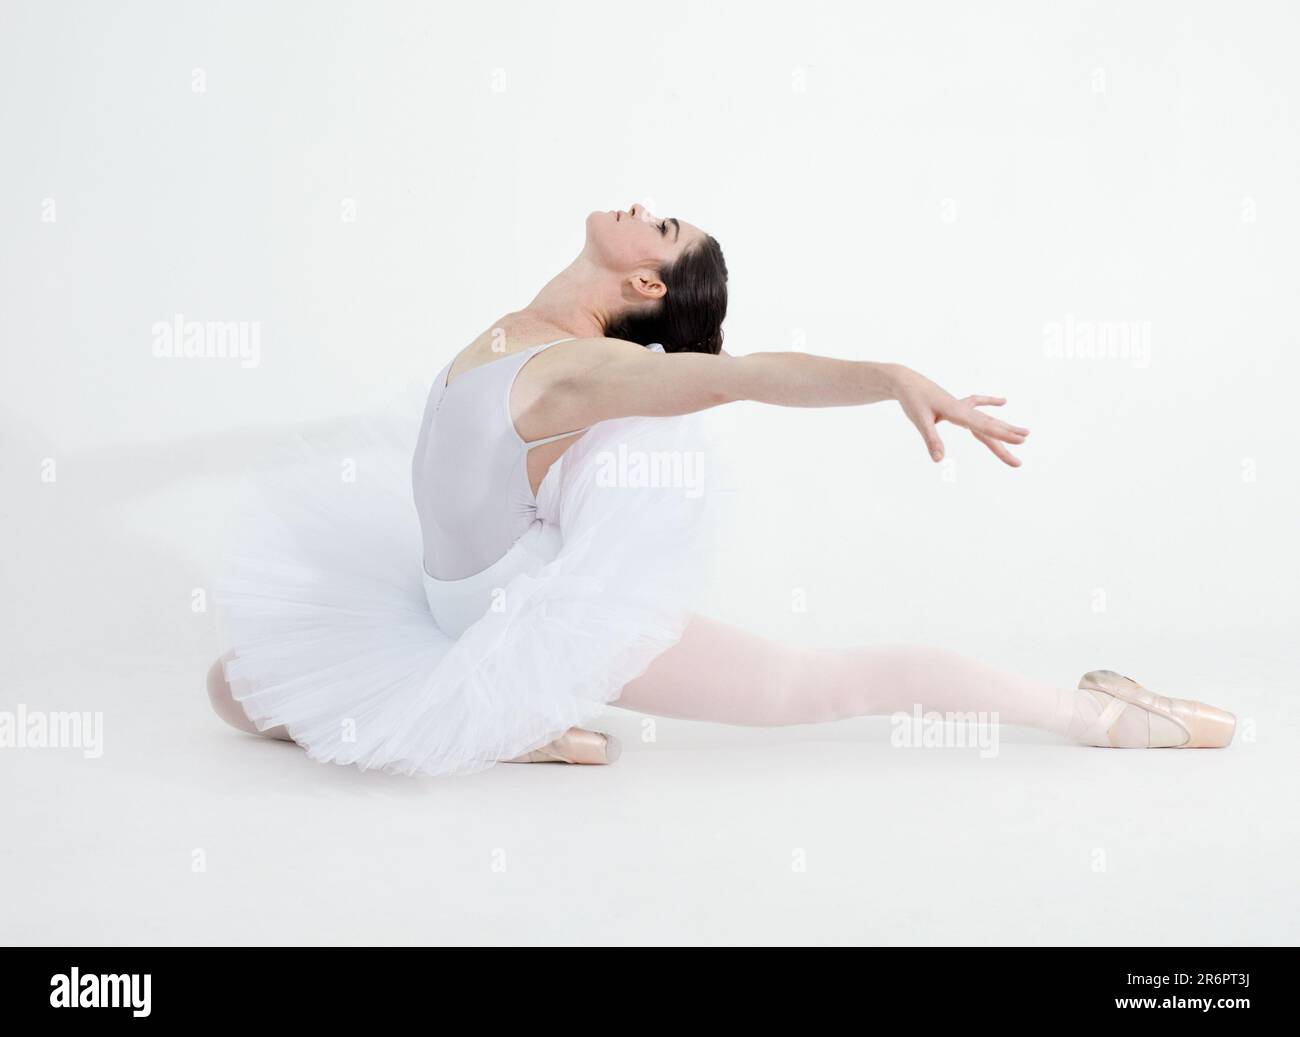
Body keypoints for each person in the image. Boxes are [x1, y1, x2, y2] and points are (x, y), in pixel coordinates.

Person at [207, 203, 1235, 775]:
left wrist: (889, 379)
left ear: (647, 287)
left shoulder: (587, 367)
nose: (643, 212)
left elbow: (742, 375)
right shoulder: (528, 324)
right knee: (232, 690)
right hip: (442, 609)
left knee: (817, 684)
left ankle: (1106, 720)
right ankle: (512, 723)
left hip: (531, 619)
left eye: (662, 228)